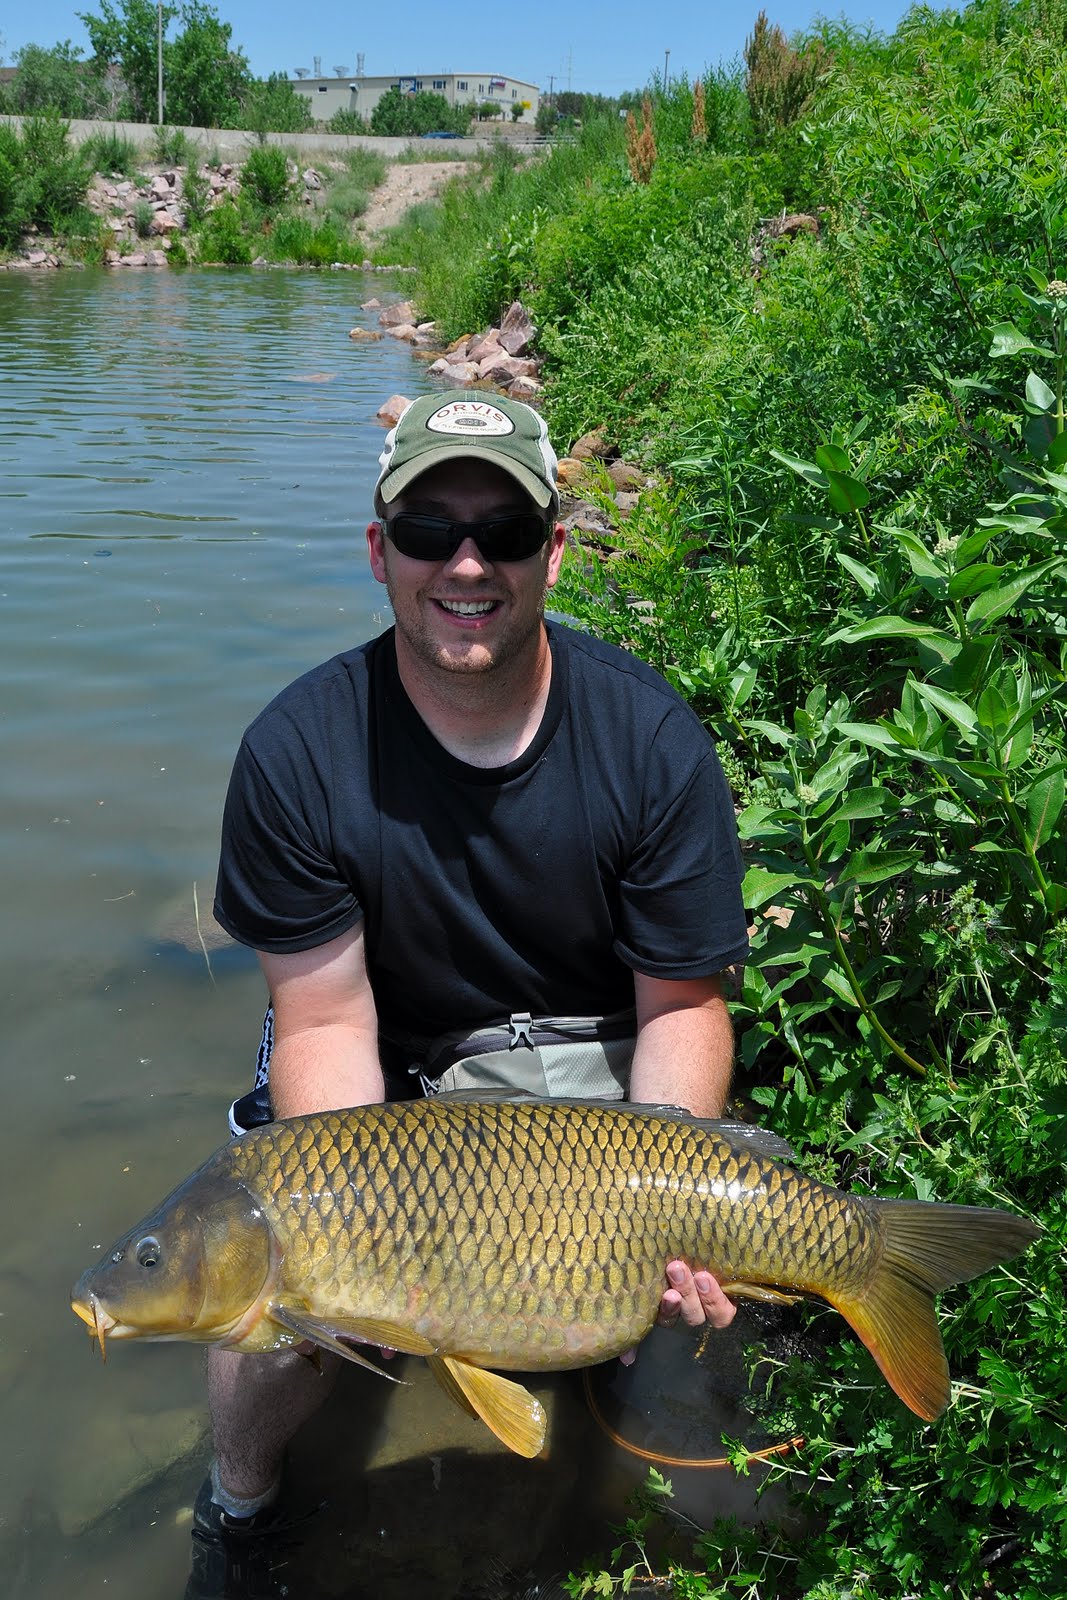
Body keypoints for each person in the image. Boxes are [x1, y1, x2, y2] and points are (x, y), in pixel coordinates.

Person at [191, 391, 750, 1587]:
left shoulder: (650, 740)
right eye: (430, 525)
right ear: (377, 548)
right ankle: (238, 1507)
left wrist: (668, 1214)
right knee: (262, 1262)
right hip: (389, 1066)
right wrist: (346, 1247)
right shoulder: (297, 751)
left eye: (502, 529)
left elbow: (681, 1010)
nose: (465, 561)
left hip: (596, 1068)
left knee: (707, 1342)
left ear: (553, 549)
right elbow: (328, 1019)